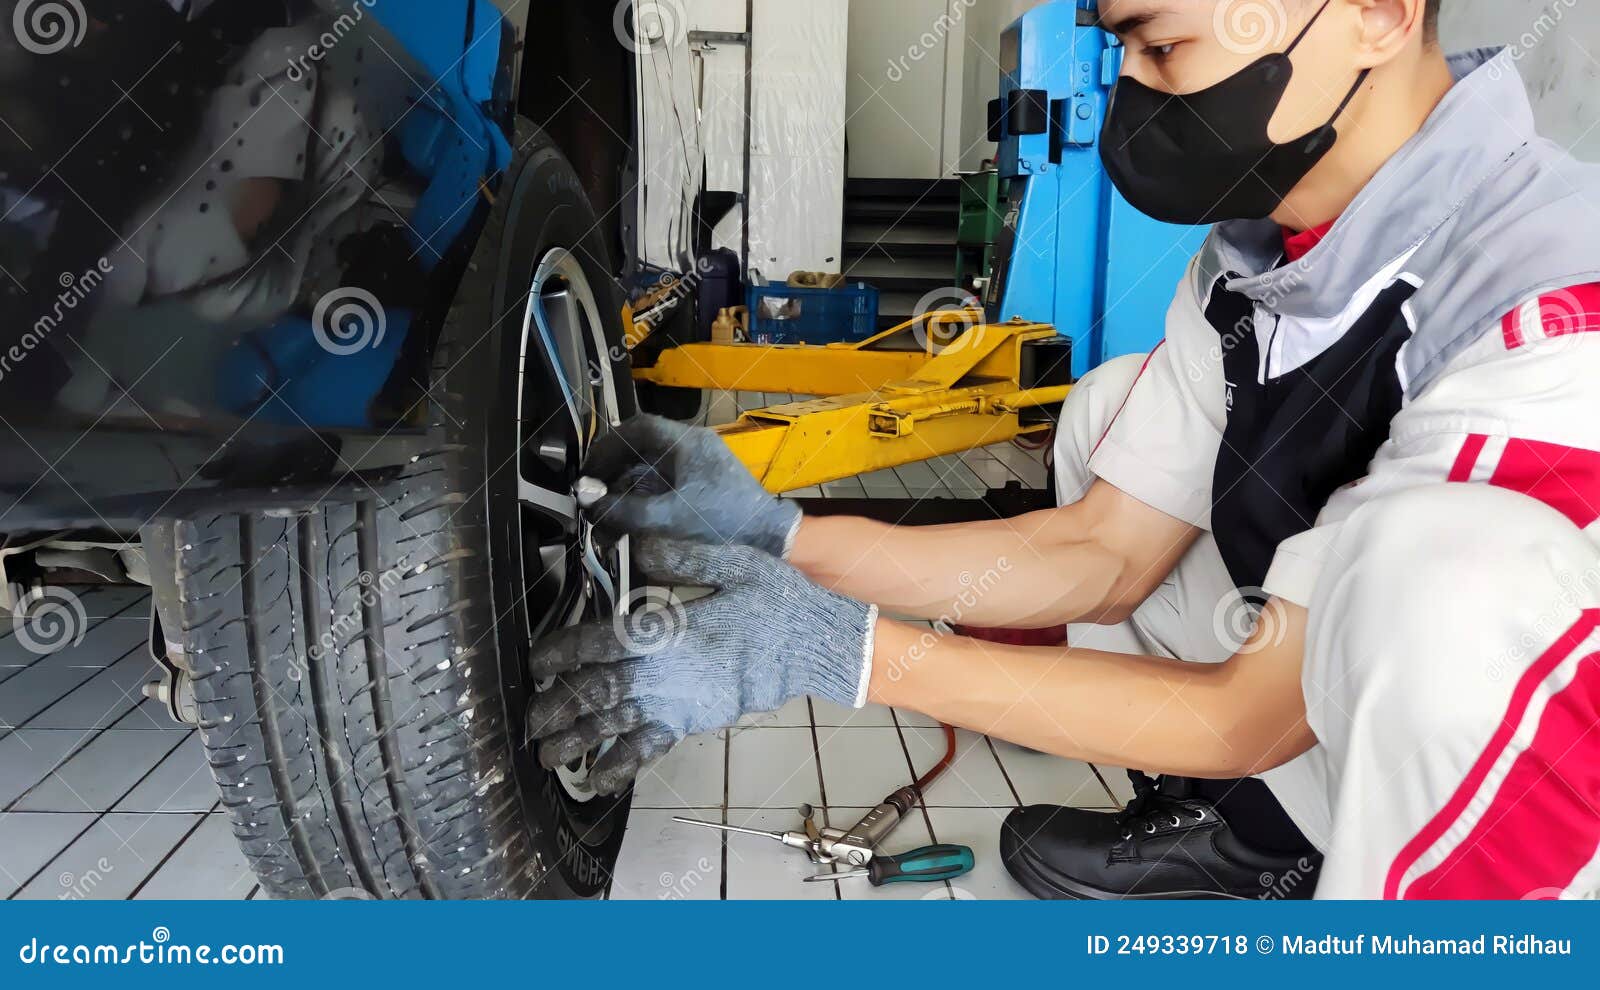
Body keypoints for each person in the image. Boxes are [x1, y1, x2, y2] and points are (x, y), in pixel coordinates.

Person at [527, 0, 1600, 900]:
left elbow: (1254, 714)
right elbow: (1101, 550)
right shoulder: (1249, 266)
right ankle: (1259, 842)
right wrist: (783, 534)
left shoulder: (1545, 296)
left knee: (1441, 577)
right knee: (1106, 414)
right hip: (1338, 720)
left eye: (1162, 46)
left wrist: (838, 653)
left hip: (1539, 815)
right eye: (1120, 49)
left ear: (1375, 14)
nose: (1130, 97)